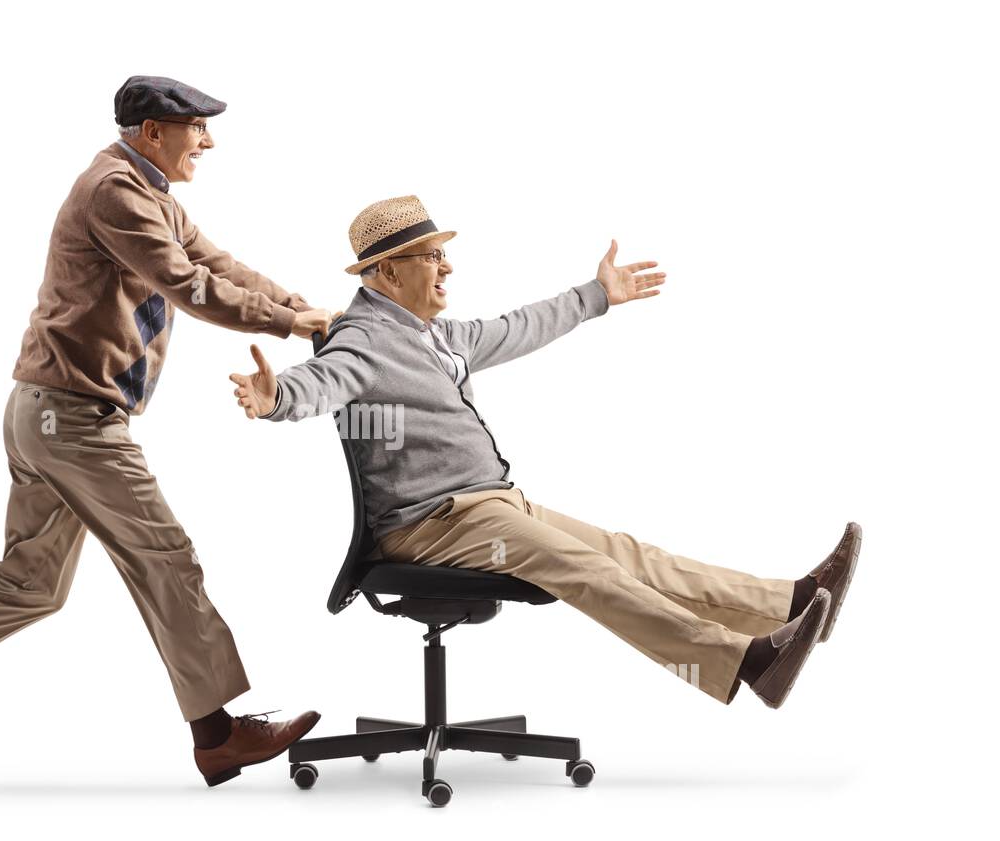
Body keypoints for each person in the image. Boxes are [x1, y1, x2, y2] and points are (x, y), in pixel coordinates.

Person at [0, 76, 326, 787]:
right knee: (166, 556)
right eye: (197, 127)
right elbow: (185, 284)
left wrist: (305, 308)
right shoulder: (115, 192)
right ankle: (217, 735)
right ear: (152, 131)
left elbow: (216, 262)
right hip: (72, 419)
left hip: (47, 411)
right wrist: (288, 324)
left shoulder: (149, 192)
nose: (210, 141)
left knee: (32, 582)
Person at [228, 195, 861, 708]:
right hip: (432, 524)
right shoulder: (363, 339)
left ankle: (793, 602)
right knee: (584, 567)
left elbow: (518, 327)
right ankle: (747, 664)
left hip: (490, 507)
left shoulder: (434, 335)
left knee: (627, 552)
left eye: (445, 255)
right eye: (431, 257)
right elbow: (321, 382)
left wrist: (596, 295)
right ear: (388, 273)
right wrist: (275, 395)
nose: (446, 268)